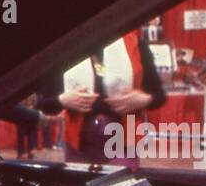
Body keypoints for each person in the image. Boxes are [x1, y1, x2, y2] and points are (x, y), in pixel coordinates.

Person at [36, 29, 165, 166]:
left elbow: (159, 96)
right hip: (78, 146)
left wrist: (144, 100)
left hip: (125, 144)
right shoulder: (66, 48)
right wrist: (62, 100)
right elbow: (44, 103)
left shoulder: (136, 45)